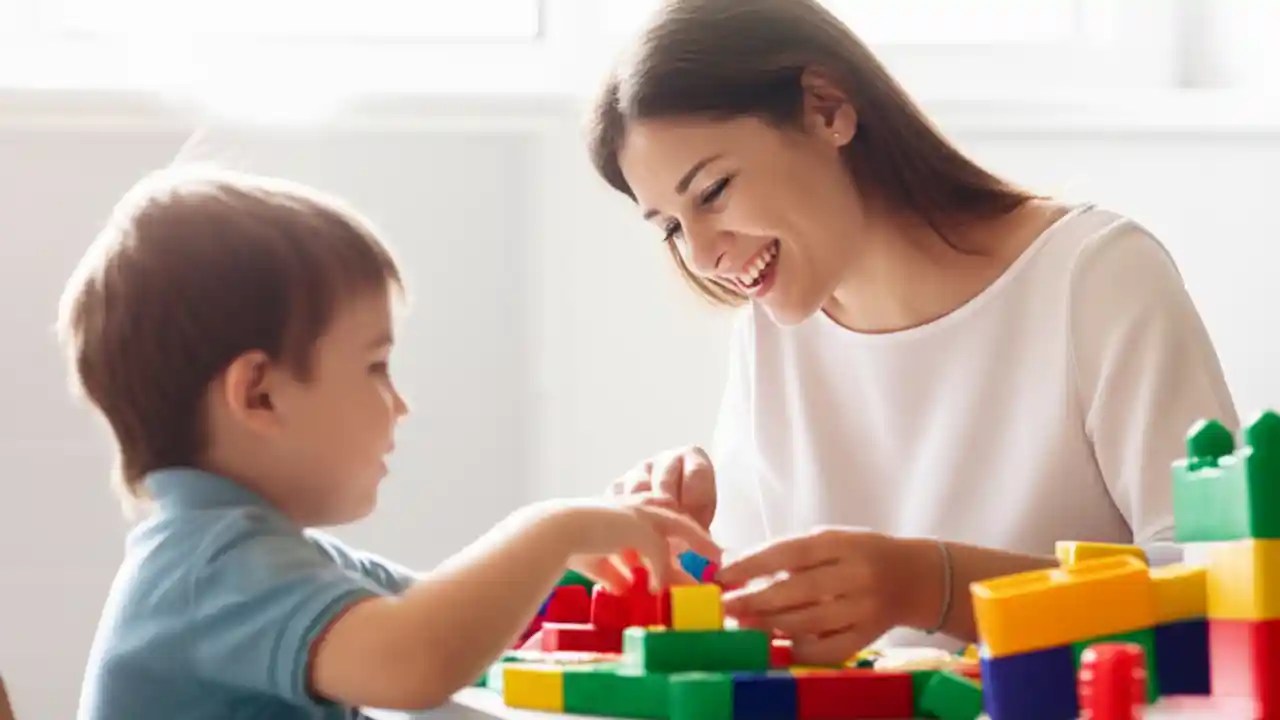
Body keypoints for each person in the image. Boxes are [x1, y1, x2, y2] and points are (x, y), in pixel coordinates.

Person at [593, 0, 1238, 664]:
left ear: (826, 109)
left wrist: (935, 585)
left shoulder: (1094, 276)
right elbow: (764, 634)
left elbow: (1220, 598)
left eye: (713, 191)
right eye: (671, 227)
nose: (702, 257)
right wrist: (677, 554)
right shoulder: (773, 332)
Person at [62, 167, 718, 720]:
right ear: (259, 394)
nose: (399, 405)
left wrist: (608, 546)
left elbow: (474, 629)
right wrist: (557, 528)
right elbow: (420, 659)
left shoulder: (269, 560)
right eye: (376, 367)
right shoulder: (210, 573)